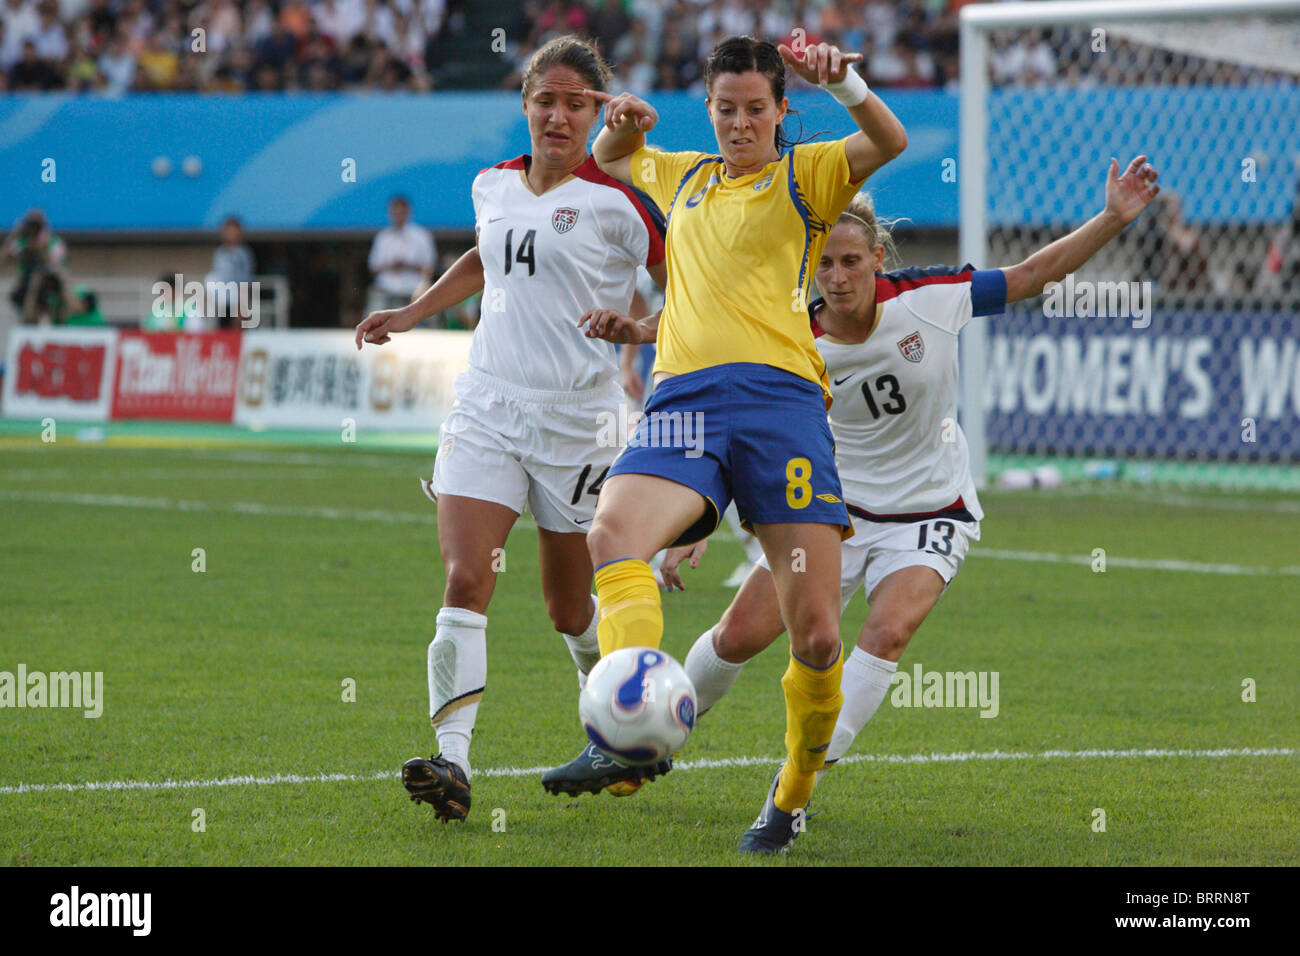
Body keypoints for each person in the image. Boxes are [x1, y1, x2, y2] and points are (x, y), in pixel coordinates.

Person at [671, 156, 1162, 803]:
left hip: (931, 511)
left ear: (878, 258)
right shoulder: (790, 336)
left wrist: (1111, 218)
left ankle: (793, 789)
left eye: (851, 261)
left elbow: (1033, 274)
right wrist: (692, 518)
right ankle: (654, 733)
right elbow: (729, 410)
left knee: (887, 633)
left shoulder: (934, 300)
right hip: (831, 512)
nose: (837, 276)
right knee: (739, 636)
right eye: (823, 262)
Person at [544, 35, 908, 855]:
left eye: (755, 109)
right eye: (725, 109)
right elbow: (607, 158)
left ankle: (789, 797)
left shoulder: (806, 173)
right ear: (707, 111)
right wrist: (625, 128)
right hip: (685, 400)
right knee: (612, 533)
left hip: (782, 408)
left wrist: (845, 79)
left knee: (815, 635)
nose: (739, 123)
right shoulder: (686, 176)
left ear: (782, 114)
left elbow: (890, 141)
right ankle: (626, 732)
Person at [353, 35, 668, 823]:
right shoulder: (491, 185)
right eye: (543, 101)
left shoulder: (621, 201)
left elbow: (684, 288)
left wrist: (643, 330)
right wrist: (413, 312)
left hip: (580, 425)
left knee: (570, 610)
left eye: (574, 103)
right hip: (488, 408)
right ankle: (453, 761)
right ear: (524, 106)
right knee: (466, 579)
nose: (557, 117)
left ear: (597, 110)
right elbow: (487, 259)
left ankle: (618, 718)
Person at [365, 195, 436, 315]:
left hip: (413, 289)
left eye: (401, 212)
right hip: (386, 288)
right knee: (373, 310)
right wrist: (391, 265)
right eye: (395, 212)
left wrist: (408, 266)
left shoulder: (421, 236)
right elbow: (373, 268)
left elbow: (429, 267)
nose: (398, 216)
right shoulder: (382, 237)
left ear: (408, 212)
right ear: (390, 213)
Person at [6, 209, 66, 323]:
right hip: (26, 285)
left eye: (37, 225)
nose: (34, 229)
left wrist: (41, 246)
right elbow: (4, 260)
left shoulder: (53, 242)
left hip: (49, 284)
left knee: (38, 280)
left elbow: (54, 265)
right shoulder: (21, 242)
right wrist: (13, 236)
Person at [206, 216, 255, 329]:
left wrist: (241, 310)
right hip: (221, 303)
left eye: (233, 231)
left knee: (236, 336)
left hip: (236, 302)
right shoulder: (219, 253)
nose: (230, 234)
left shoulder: (243, 254)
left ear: (239, 233)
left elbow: (245, 282)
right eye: (227, 231)